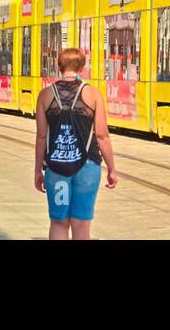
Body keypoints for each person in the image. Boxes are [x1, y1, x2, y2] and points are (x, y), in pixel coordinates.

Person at [33, 47, 117, 240]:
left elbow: (41, 137)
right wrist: (112, 169)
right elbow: (102, 136)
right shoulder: (93, 94)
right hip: (88, 166)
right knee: (81, 224)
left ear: (59, 66)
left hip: (55, 166)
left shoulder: (45, 95)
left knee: (59, 222)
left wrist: (38, 170)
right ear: (82, 67)